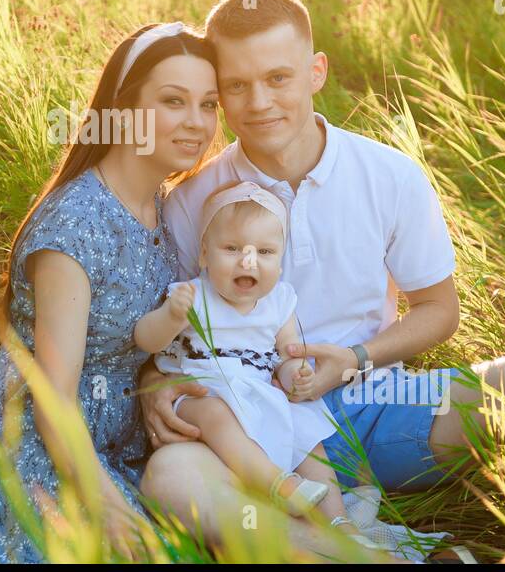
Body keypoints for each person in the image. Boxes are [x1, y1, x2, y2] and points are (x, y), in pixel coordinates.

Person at [138, 0, 505, 562]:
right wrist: (152, 385)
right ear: (218, 92)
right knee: (170, 475)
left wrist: (357, 359)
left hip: (377, 403)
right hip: (255, 432)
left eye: (278, 78)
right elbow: (169, 323)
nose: (260, 101)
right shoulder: (190, 200)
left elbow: (439, 309)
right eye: (237, 85)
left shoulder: (389, 174)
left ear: (316, 71)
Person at [0, 21, 221, 562]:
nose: (197, 123)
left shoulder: (160, 202)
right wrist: (109, 506)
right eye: (173, 101)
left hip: (120, 435)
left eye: (208, 104)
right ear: (124, 110)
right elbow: (53, 396)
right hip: (41, 446)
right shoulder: (76, 226)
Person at [136, 179, 347, 523]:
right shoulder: (192, 295)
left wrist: (297, 376)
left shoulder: (280, 301)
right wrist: (171, 316)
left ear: (280, 262)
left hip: (259, 394)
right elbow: (147, 340)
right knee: (215, 413)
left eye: (264, 252)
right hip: (201, 393)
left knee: (307, 435)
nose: (248, 261)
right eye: (232, 249)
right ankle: (277, 485)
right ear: (204, 254)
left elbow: (287, 354)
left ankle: (340, 522)